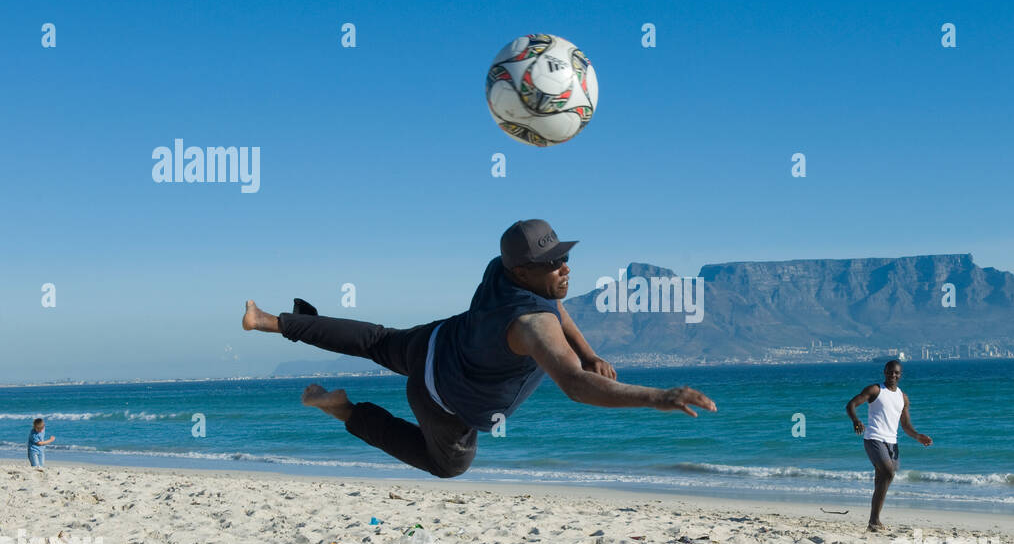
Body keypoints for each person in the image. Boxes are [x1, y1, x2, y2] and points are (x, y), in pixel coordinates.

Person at [241, 219, 716, 477]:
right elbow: (574, 384)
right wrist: (657, 396)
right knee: (448, 465)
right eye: (552, 263)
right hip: (443, 400)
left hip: (435, 342)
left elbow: (555, 308)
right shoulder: (532, 327)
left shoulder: (506, 270)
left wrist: (589, 351)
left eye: (565, 256)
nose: (564, 268)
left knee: (376, 340)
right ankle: (345, 411)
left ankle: (270, 320)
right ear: (524, 272)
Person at [845, 360, 932, 531]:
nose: (893, 375)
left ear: (900, 375)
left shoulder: (903, 397)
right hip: (874, 439)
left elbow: (906, 425)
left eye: (896, 373)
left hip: (892, 443)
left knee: (883, 480)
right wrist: (856, 420)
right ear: (885, 372)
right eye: (890, 372)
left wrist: (917, 436)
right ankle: (875, 520)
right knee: (888, 472)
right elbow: (851, 404)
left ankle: (873, 522)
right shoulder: (875, 390)